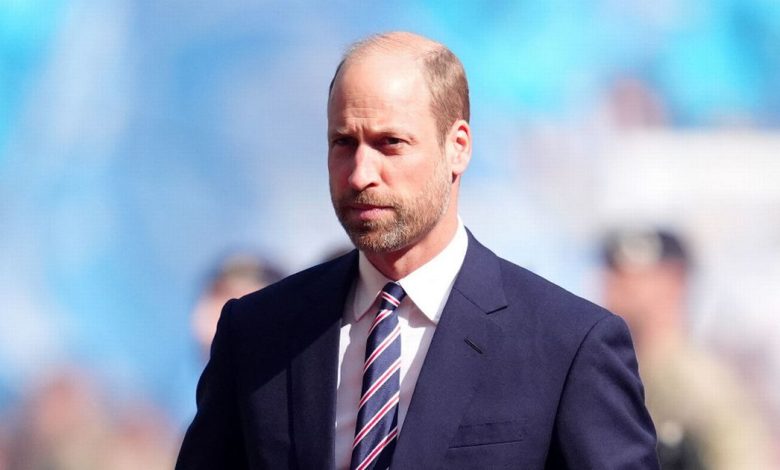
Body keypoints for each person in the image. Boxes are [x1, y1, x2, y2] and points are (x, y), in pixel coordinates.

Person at [176, 31, 658, 469]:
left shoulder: (566, 344)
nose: (361, 174)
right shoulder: (259, 333)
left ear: (458, 147)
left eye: (390, 143)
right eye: (343, 143)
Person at [601, 228, 775, 470]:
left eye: (632, 275)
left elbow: (744, 458)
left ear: (675, 281)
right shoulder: (616, 366)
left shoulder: (697, 381)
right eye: (614, 273)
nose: (616, 284)